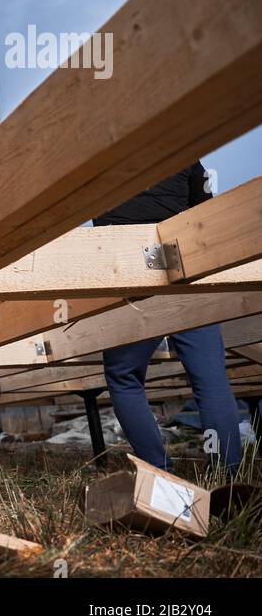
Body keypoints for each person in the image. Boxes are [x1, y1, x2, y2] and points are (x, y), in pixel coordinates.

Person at [94, 162, 243, 474]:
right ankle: (228, 475)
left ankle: (160, 473)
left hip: (127, 267)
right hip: (185, 263)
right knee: (210, 378)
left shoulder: (97, 156)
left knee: (124, 376)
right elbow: (206, 210)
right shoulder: (183, 148)